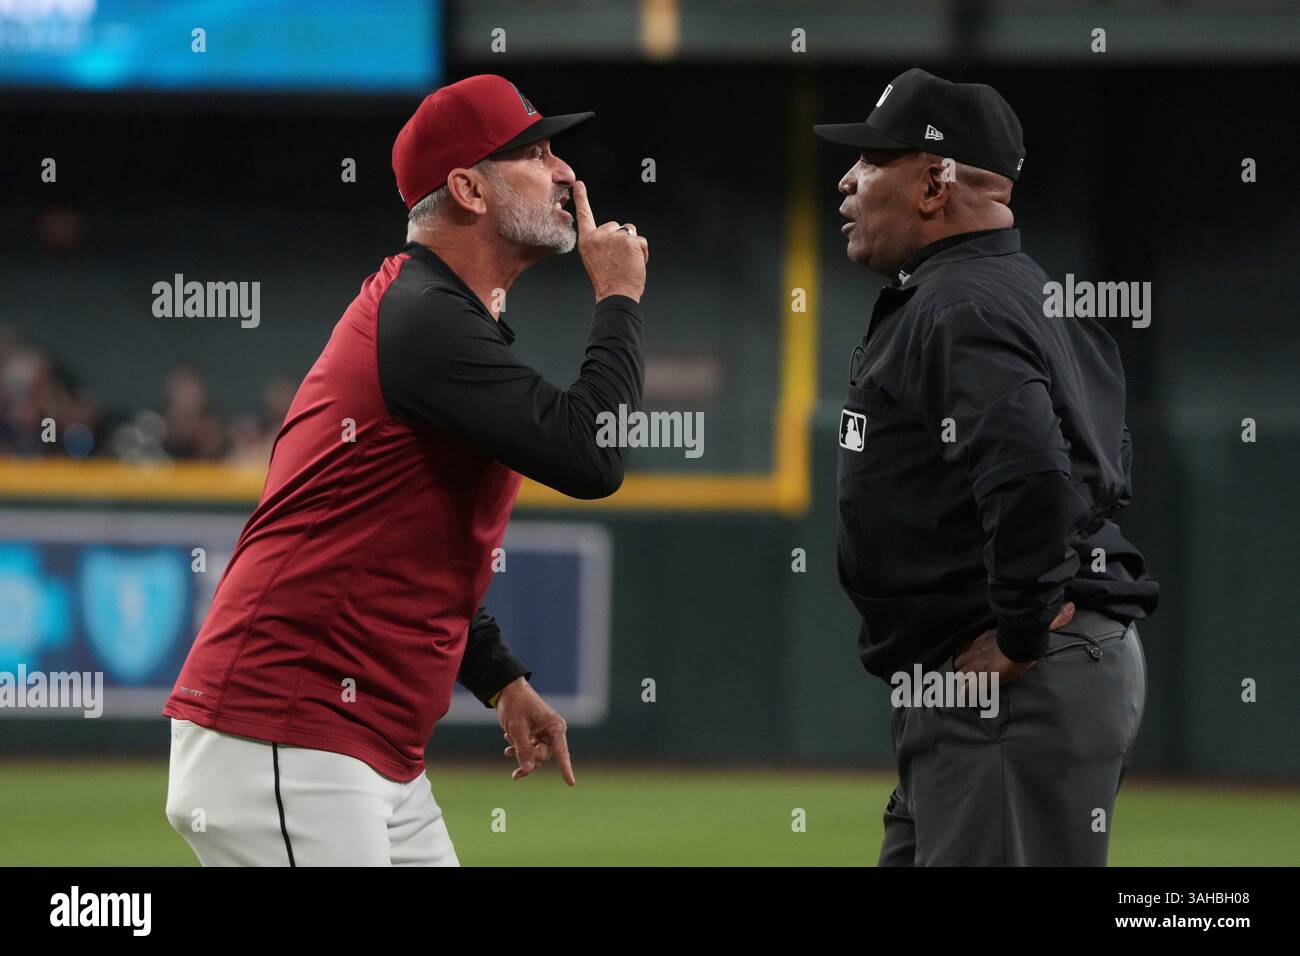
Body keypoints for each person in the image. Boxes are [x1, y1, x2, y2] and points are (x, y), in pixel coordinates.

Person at [163, 74, 648, 866]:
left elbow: (406, 540)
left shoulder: (447, 316)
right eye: (532, 153)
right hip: (286, 729)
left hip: (361, 749)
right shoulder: (425, 318)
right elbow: (591, 455)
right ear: (467, 188)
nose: (564, 171)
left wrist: (497, 676)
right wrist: (619, 299)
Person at [815, 68, 1158, 865]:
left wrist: (1020, 628)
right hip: (994, 682)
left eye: (871, 162)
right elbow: (1099, 462)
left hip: (1015, 682)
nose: (847, 180)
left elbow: (1035, 473)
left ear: (935, 182)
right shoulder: (1022, 292)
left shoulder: (961, 301)